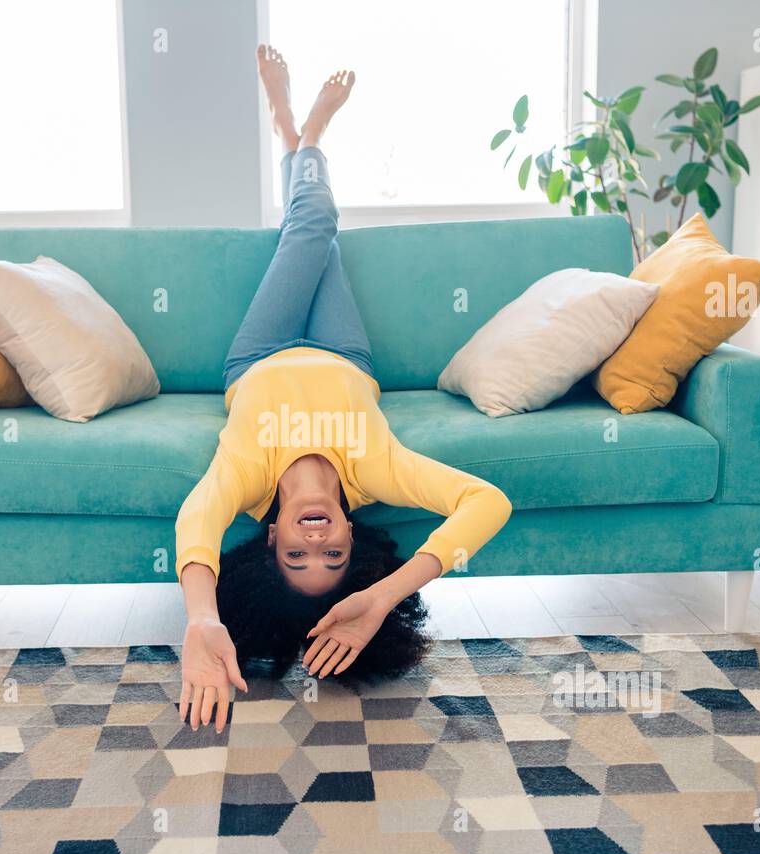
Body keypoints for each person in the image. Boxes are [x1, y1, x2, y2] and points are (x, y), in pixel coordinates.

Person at [175, 45, 512, 731]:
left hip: (259, 353)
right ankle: (300, 139)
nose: (316, 542)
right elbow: (489, 501)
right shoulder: (375, 472)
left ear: (269, 539)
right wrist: (385, 595)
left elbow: (196, 525)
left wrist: (202, 619)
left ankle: (298, 133)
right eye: (333, 556)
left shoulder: (243, 480)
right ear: (353, 538)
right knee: (318, 237)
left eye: (296, 556)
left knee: (314, 227)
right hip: (344, 351)